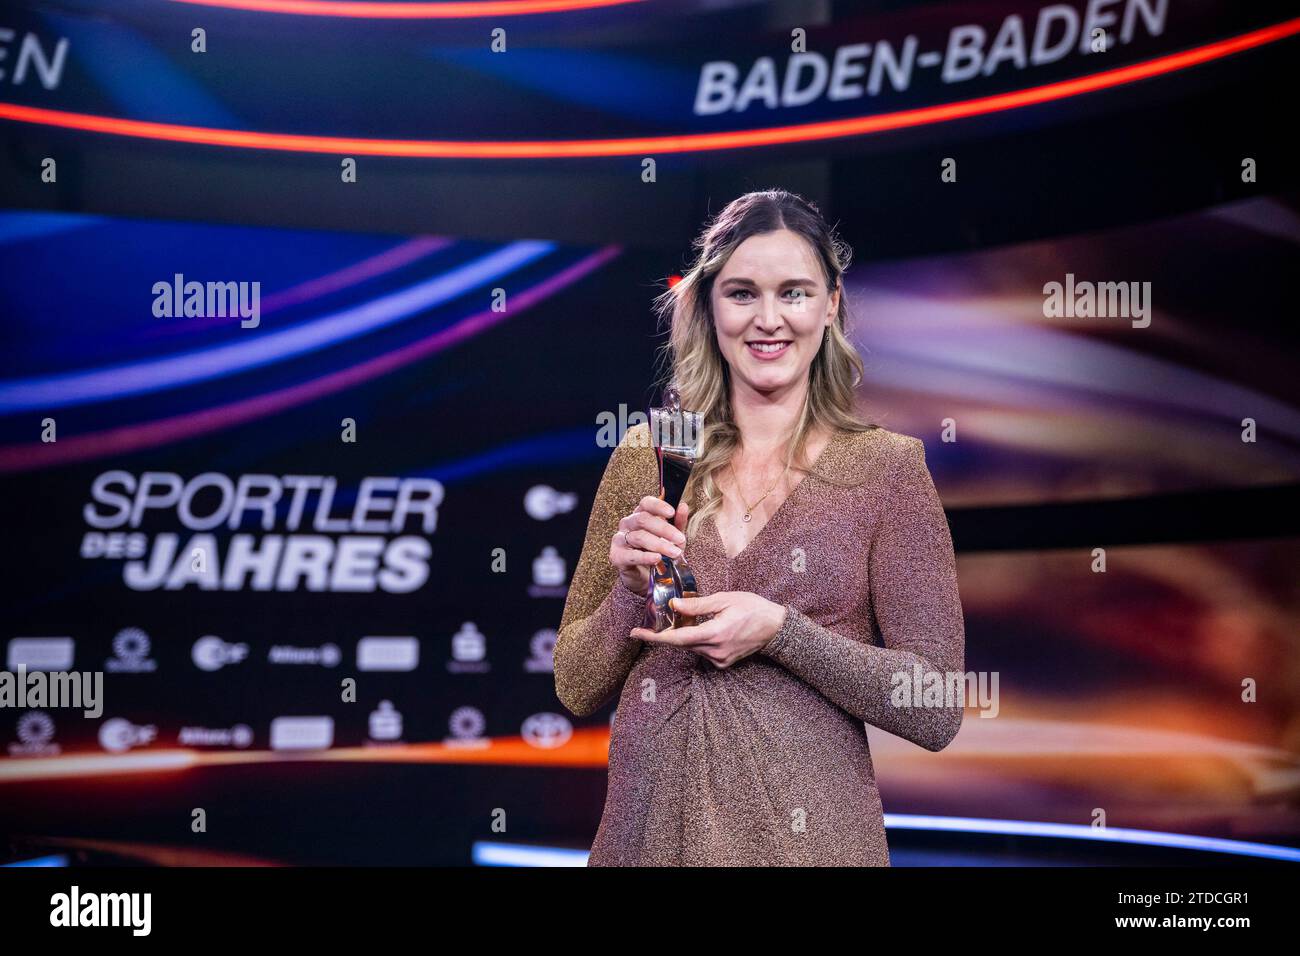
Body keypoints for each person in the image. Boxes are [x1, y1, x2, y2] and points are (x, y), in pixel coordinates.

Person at [553, 189, 965, 866]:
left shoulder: (886, 470)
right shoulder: (651, 453)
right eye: (742, 293)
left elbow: (936, 707)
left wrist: (780, 632)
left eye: (794, 293)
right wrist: (630, 588)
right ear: (710, 306)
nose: (768, 320)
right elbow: (575, 684)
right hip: (648, 845)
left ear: (830, 305)